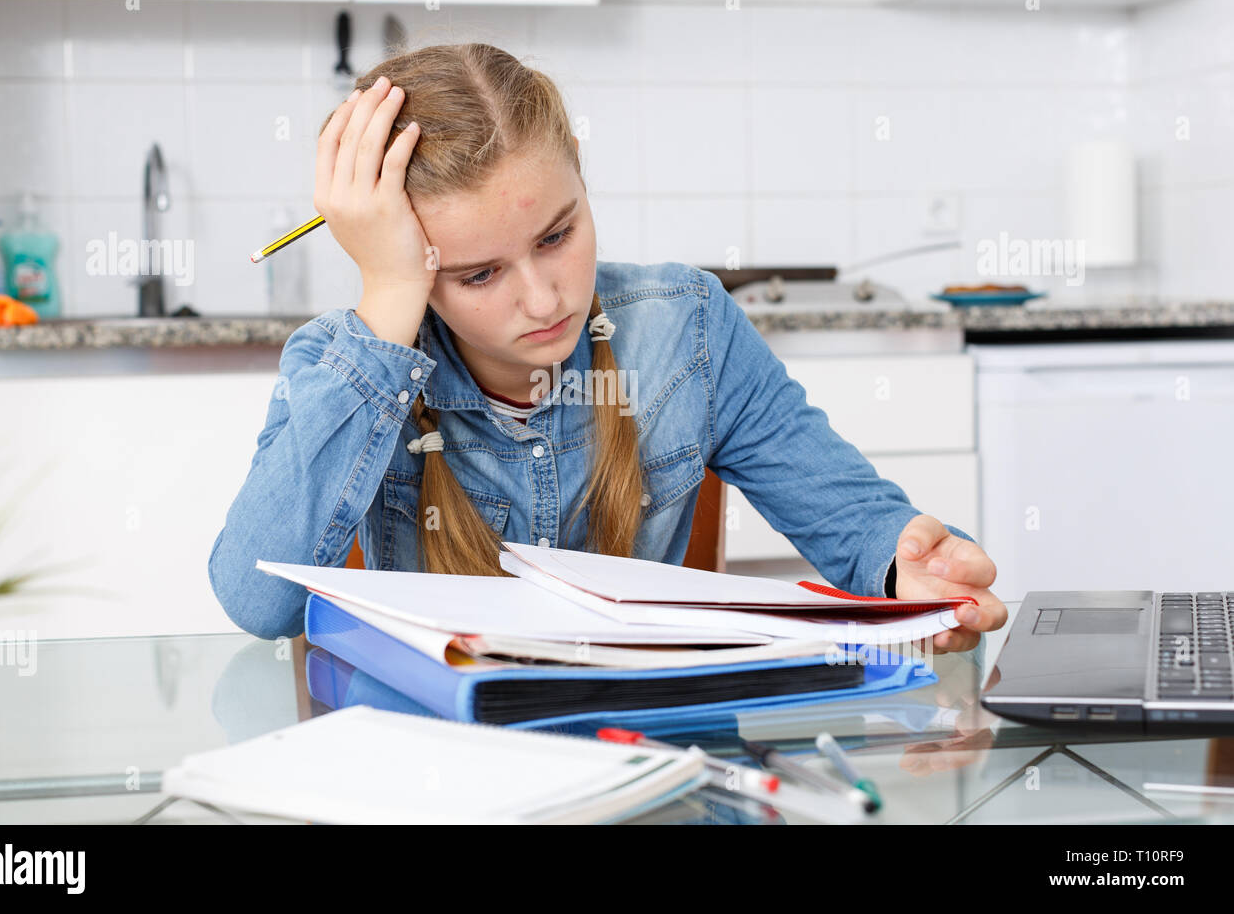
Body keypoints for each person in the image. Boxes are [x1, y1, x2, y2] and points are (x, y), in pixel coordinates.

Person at [209, 43, 1004, 655]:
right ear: (407, 266)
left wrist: (907, 569)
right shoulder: (345, 360)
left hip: (651, 753)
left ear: (583, 181)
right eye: (479, 273)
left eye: (557, 234)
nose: (545, 298)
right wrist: (385, 302)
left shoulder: (686, 325)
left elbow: (853, 520)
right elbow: (258, 604)